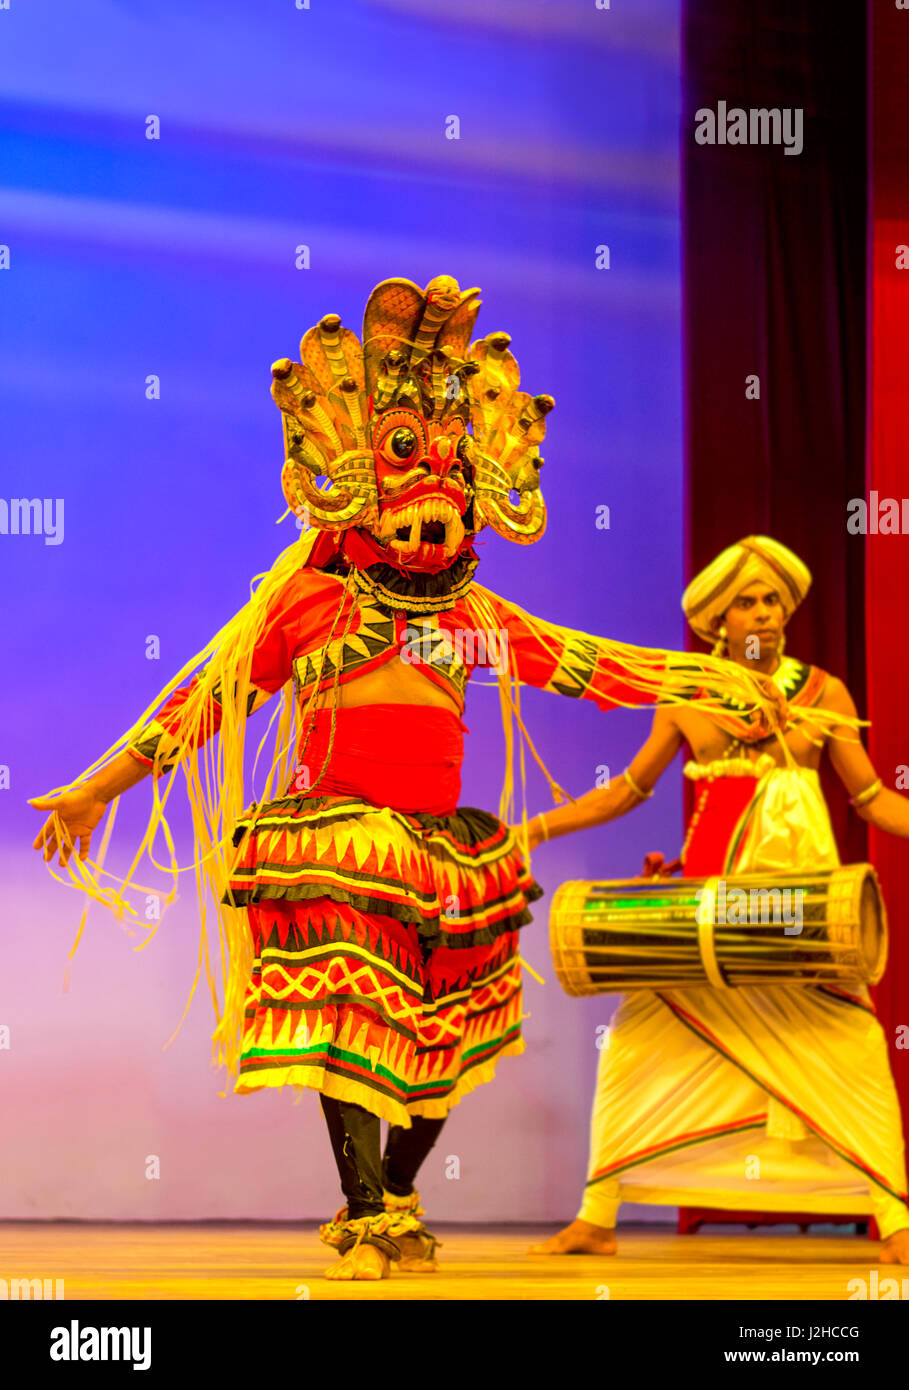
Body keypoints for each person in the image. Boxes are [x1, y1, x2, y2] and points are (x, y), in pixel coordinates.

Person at [30, 281, 783, 1281]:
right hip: (341, 835)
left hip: (444, 846)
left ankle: (394, 1189)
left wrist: (710, 679)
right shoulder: (305, 600)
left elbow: (590, 663)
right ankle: (365, 1210)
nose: (430, 515)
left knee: (449, 1040)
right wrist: (93, 787)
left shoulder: (472, 614)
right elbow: (199, 701)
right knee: (345, 1013)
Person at [523, 536, 909, 1264]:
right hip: (706, 909)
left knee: (851, 1047)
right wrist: (535, 828)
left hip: (798, 913)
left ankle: (894, 1220)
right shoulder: (685, 697)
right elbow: (626, 789)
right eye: (745, 602)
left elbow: (872, 800)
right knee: (635, 1048)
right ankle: (597, 1220)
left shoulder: (823, 694)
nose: (762, 613)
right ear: (715, 624)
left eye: (771, 600)